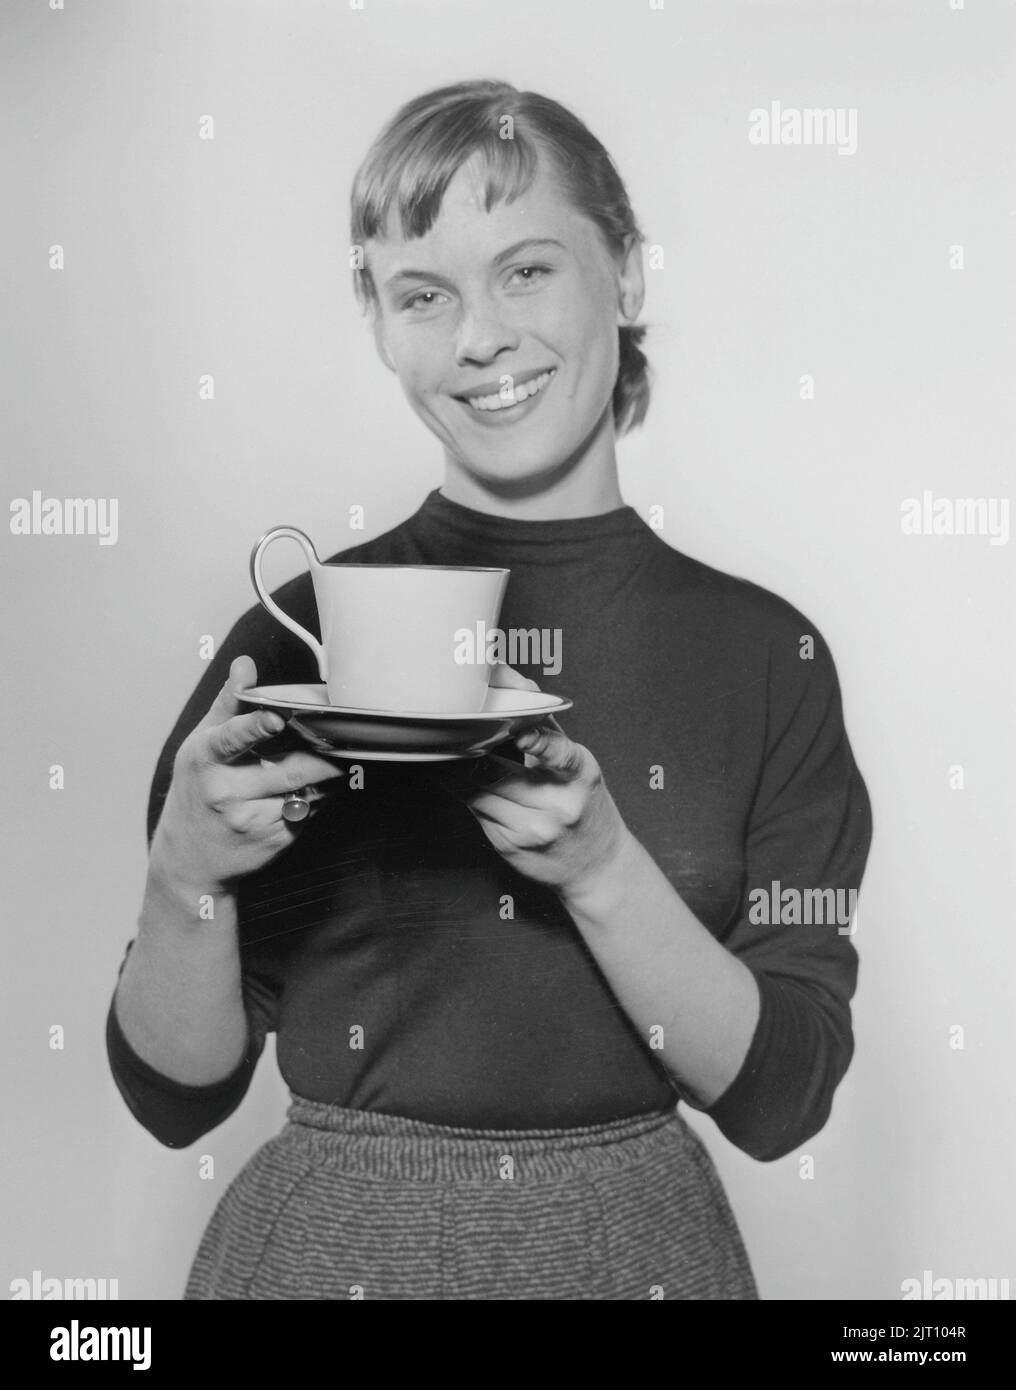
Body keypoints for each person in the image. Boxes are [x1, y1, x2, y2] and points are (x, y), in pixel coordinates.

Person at [107, 79, 872, 1301]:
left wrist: (603, 870)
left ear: (621, 275)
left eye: (525, 271)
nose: (478, 337)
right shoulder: (293, 641)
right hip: (321, 1258)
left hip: (640, 1258)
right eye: (423, 294)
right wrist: (183, 875)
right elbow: (172, 1092)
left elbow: (782, 1097)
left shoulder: (764, 655)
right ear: (377, 318)